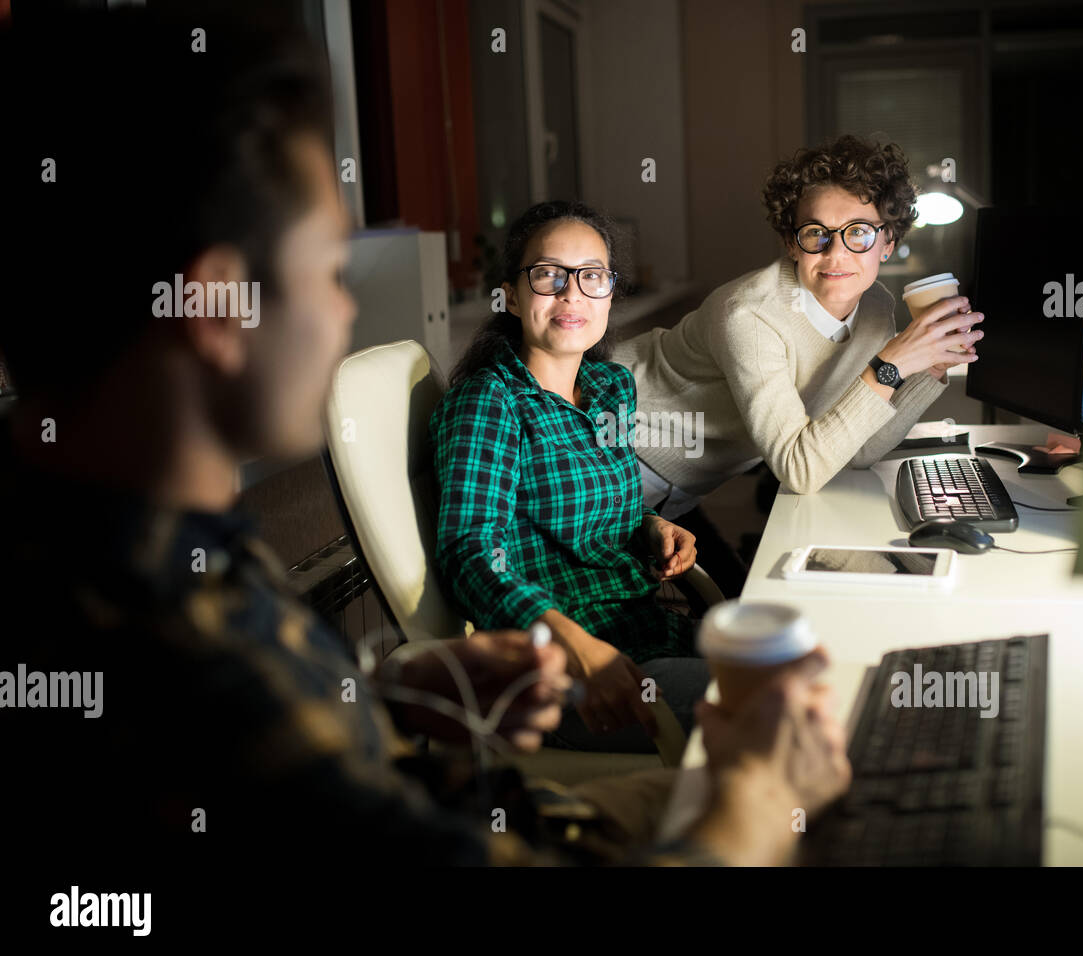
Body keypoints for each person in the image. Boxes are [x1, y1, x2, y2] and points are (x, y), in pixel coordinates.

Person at [0, 8, 849, 891]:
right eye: (330, 269)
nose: (342, 313)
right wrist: (753, 803)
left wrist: (392, 704)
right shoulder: (184, 649)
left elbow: (334, 781)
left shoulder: (177, 548)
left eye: (592, 278)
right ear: (219, 307)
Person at [614, 135, 986, 590]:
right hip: (609, 446)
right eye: (816, 234)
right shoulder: (749, 314)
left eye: (859, 233)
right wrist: (891, 361)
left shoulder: (875, 307)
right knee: (657, 621)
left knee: (723, 601)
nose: (836, 254)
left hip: (684, 485)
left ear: (887, 242)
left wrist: (929, 369)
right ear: (792, 244)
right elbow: (800, 468)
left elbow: (860, 449)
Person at [431, 201, 711, 751]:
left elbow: (614, 508)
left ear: (609, 293)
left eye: (592, 276)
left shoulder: (610, 387)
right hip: (570, 673)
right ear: (510, 295)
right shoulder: (491, 402)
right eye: (548, 275)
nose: (572, 293)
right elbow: (467, 555)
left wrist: (651, 526)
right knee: (776, 705)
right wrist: (574, 644)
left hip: (648, 630)